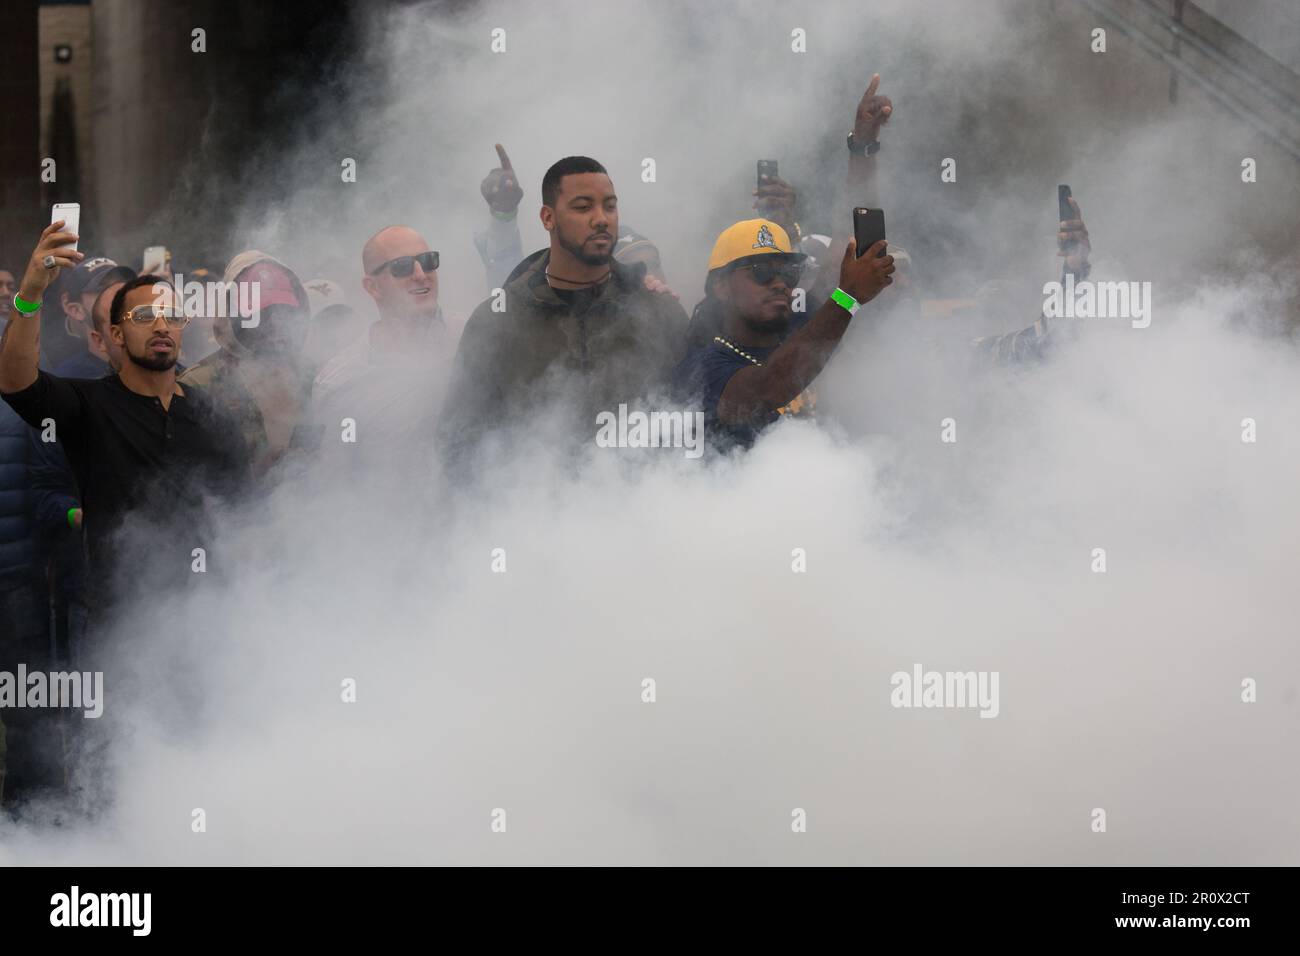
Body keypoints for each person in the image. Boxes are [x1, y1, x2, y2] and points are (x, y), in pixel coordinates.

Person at [0, 222, 249, 614]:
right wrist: (30, 292)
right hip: (123, 625)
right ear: (114, 334)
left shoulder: (211, 414)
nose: (162, 325)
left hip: (211, 622)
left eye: (172, 315)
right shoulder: (87, 404)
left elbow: (242, 513)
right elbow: (16, 382)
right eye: (146, 315)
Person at [441, 155, 689, 459]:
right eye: (583, 207)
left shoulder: (659, 312)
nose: (601, 218)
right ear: (548, 218)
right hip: (528, 500)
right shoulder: (497, 321)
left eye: (609, 206)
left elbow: (693, 423)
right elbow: (459, 442)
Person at [673, 218, 894, 450]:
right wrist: (848, 297)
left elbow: (840, 259)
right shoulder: (699, 367)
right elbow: (767, 389)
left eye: (789, 272)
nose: (780, 283)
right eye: (762, 271)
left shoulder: (807, 332)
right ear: (721, 286)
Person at [178, 251, 315, 475]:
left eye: (285, 311)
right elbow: (185, 473)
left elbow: (346, 435)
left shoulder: (315, 376)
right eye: (263, 313)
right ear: (234, 316)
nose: (276, 324)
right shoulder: (197, 384)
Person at [53, 257, 137, 379]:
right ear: (76, 310)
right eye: (103, 290)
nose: (121, 297)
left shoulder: (157, 362)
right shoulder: (71, 380)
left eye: (124, 288)